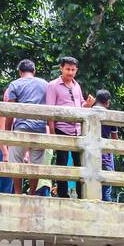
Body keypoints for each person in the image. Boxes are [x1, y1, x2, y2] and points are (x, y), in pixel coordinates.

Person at [0, 60, 48, 196]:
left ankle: (18, 193)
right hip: (40, 128)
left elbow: (10, 112)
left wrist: (8, 133)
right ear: (34, 71)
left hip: (22, 127)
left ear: (20, 72)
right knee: (36, 164)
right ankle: (32, 193)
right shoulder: (45, 84)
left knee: (16, 162)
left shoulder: (15, 84)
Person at [45, 57, 90, 198]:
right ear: (61, 68)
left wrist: (88, 104)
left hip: (77, 129)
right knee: (62, 163)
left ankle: (81, 194)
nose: (70, 72)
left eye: (73, 70)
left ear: (76, 70)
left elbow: (81, 105)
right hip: (61, 128)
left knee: (79, 163)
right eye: (67, 69)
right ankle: (62, 194)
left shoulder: (77, 86)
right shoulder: (53, 85)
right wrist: (52, 131)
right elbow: (50, 110)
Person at [92, 89, 119, 201]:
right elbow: (114, 139)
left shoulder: (87, 111)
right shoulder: (110, 116)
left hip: (89, 154)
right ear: (107, 102)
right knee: (106, 185)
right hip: (105, 155)